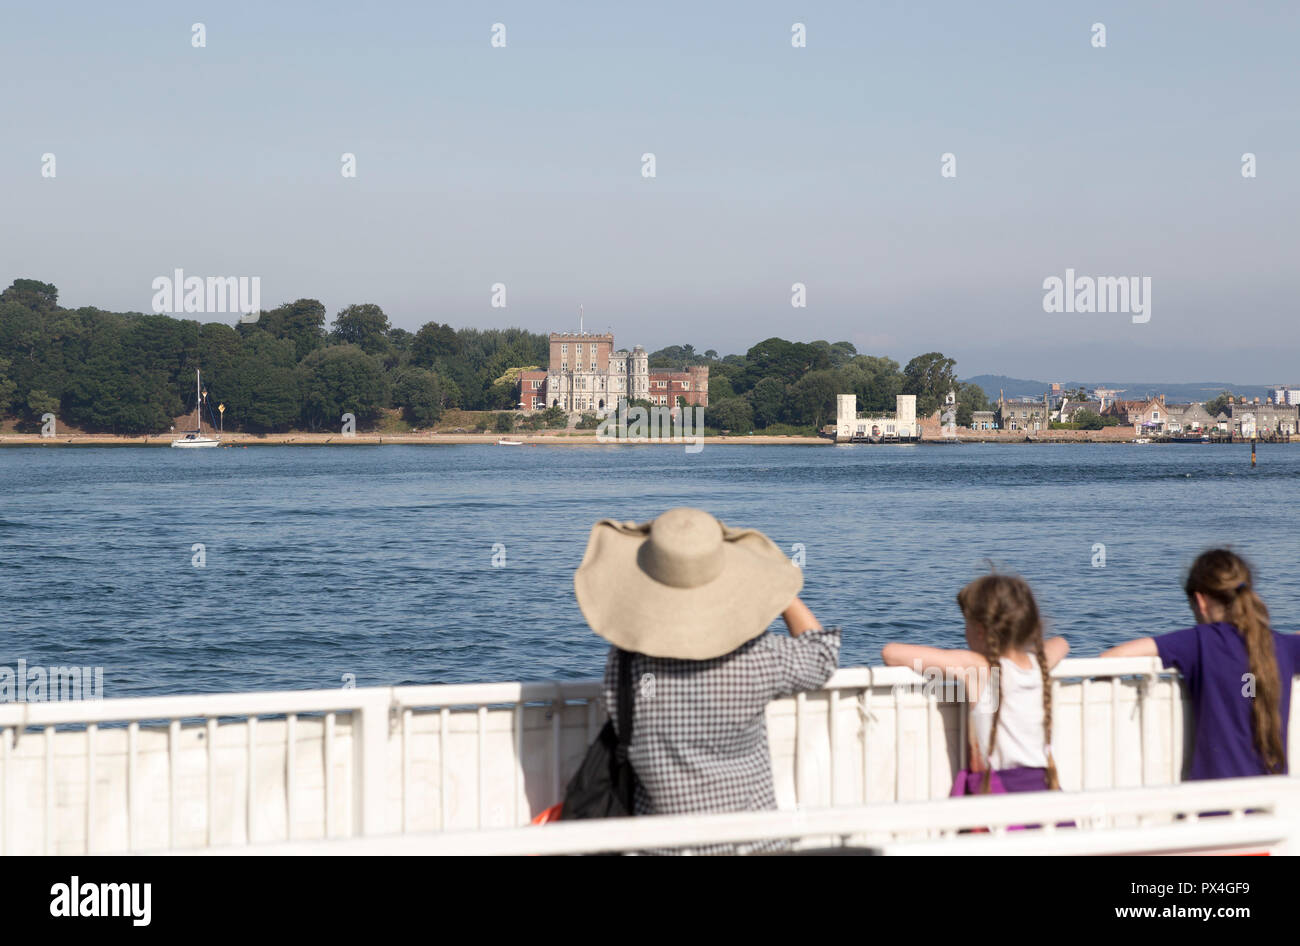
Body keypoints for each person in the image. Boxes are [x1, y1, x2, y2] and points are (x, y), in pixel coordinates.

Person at [573, 507, 840, 854]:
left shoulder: (625, 667)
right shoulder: (758, 658)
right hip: (758, 847)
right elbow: (822, 652)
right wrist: (776, 589)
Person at [1101, 548, 1300, 779]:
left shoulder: (1199, 641)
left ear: (1200, 601)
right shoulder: (1285, 647)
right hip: (1274, 803)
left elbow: (1111, 658)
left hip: (1213, 806)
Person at [882, 573, 1068, 793]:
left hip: (1005, 795)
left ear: (979, 630)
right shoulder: (1038, 665)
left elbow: (891, 653)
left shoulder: (978, 668)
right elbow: (1061, 643)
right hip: (1046, 791)